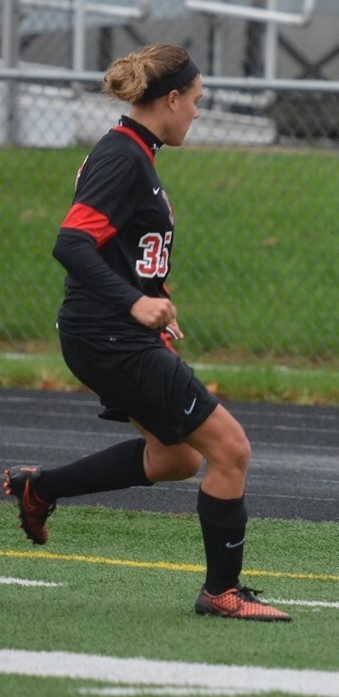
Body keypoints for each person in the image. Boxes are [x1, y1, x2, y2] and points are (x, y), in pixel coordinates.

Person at [2, 43, 290, 622]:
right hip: (109, 335)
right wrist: (134, 302)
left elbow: (120, 246)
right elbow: (71, 244)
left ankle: (40, 488)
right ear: (172, 98)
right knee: (231, 449)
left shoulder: (134, 151)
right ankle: (222, 592)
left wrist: (152, 293)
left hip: (109, 332)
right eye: (197, 100)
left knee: (176, 458)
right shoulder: (122, 157)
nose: (198, 112)